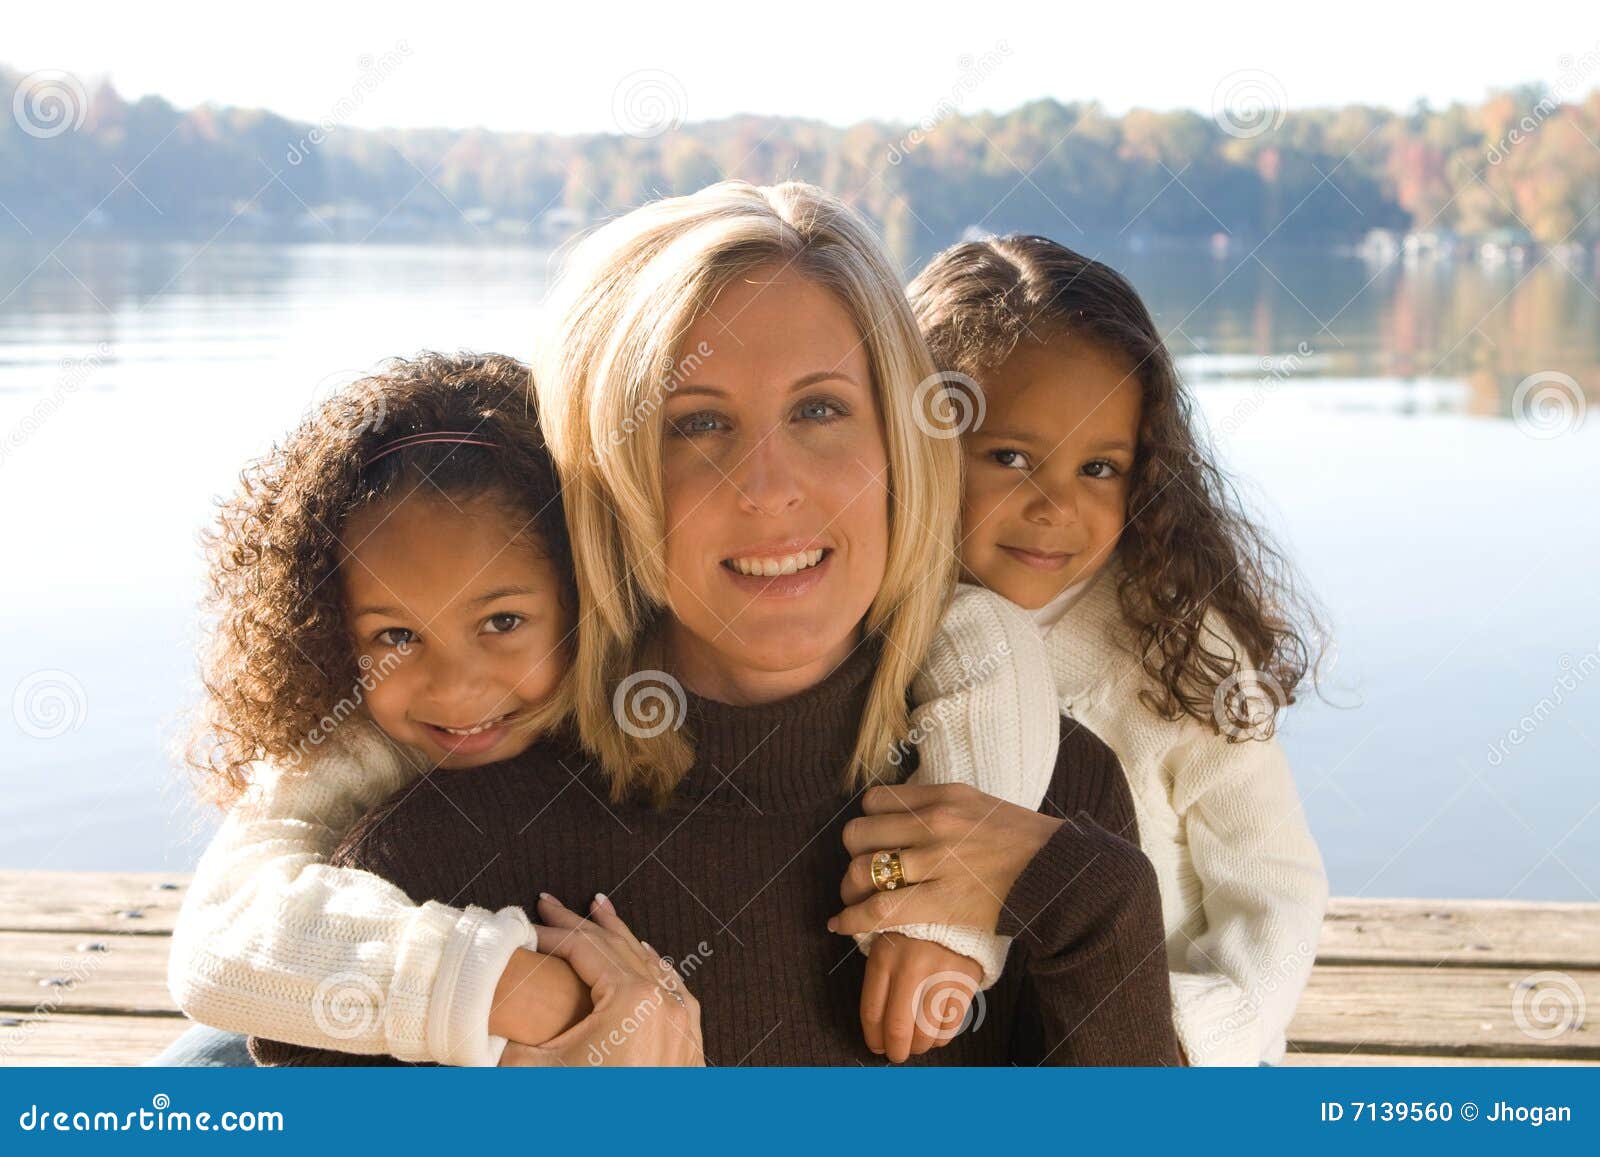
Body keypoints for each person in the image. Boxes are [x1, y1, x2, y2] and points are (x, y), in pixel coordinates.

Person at [906, 234, 1329, 1064]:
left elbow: (1273, 883)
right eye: (1011, 457)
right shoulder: (878, 625)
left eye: (1100, 467)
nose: (1055, 505)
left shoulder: (1180, 646)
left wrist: (1191, 1030)